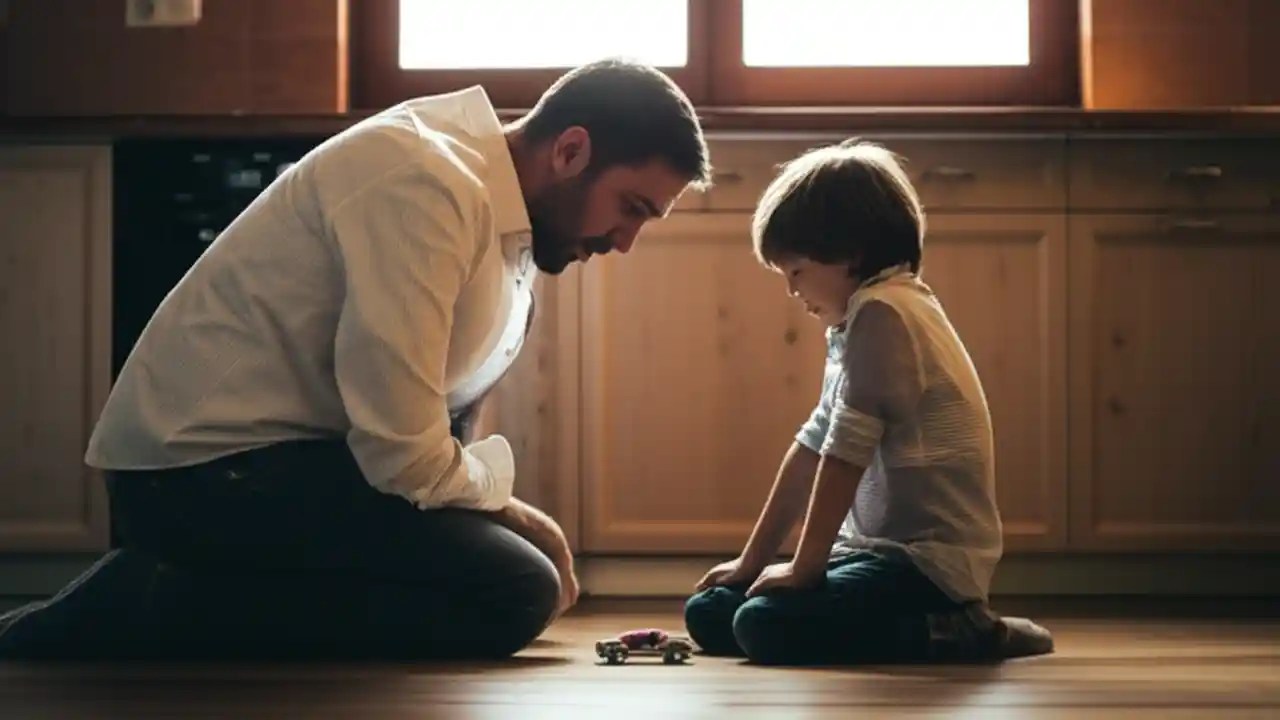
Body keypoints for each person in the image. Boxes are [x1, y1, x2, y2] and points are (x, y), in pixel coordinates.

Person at [0, 58, 711, 661]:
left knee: (510, 579)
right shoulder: (426, 181)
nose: (625, 242)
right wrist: (520, 515)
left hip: (305, 467)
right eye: (632, 208)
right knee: (515, 587)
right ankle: (150, 603)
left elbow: (439, 420)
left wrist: (483, 515)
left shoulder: (512, 224)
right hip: (203, 478)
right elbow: (403, 454)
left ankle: (180, 589)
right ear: (571, 151)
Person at [683, 140, 1053, 666]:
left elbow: (844, 455)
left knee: (761, 623)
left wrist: (806, 567)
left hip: (924, 567)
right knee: (714, 611)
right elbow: (812, 446)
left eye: (797, 271)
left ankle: (965, 628)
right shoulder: (860, 316)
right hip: (872, 555)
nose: (792, 290)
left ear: (849, 255)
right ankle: (881, 614)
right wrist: (751, 562)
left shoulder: (886, 314)